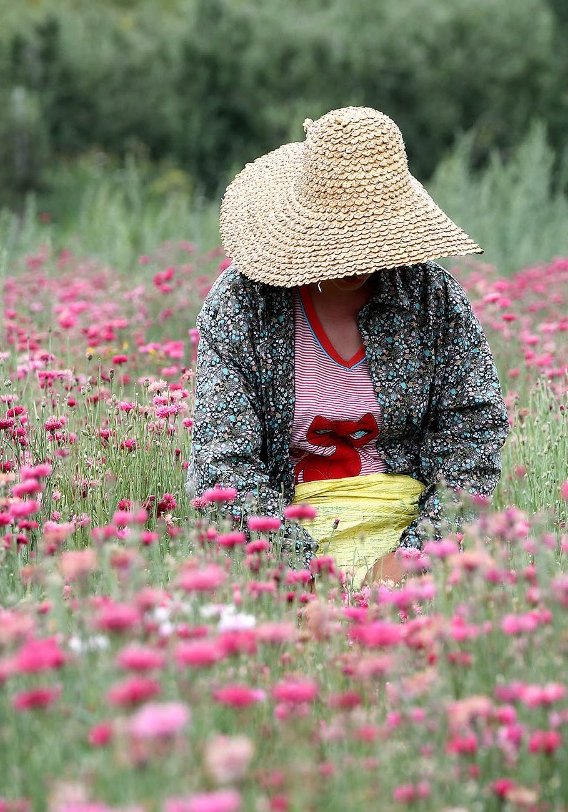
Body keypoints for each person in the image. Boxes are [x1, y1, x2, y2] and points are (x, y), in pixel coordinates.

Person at [186, 106, 509, 588]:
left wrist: (416, 557)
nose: (355, 258)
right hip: (276, 541)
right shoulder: (242, 305)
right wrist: (302, 572)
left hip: (414, 537)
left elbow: (473, 433)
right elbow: (222, 463)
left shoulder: (432, 299)